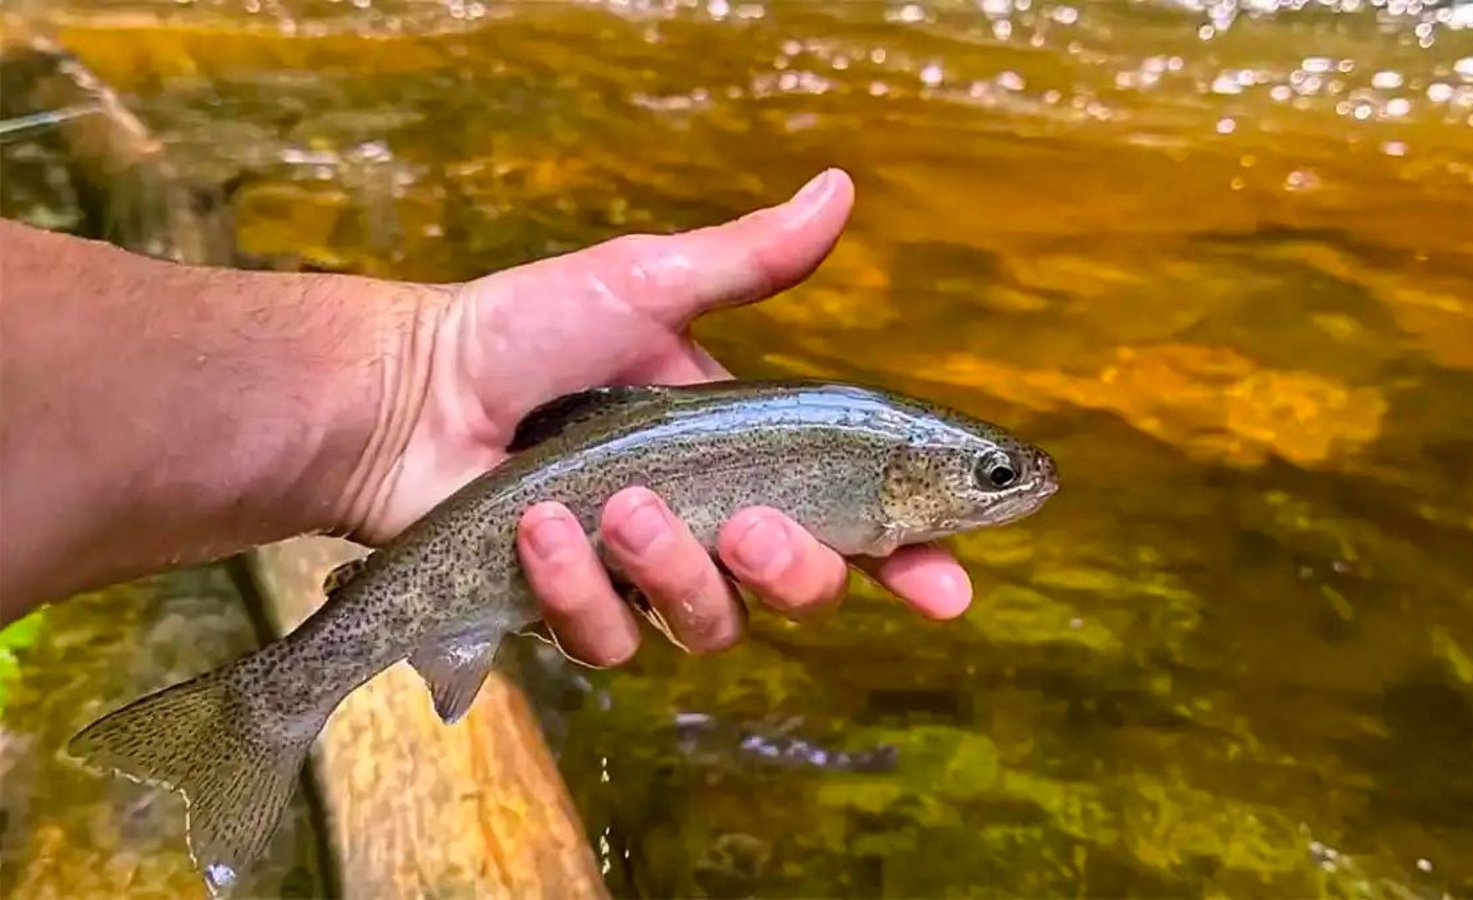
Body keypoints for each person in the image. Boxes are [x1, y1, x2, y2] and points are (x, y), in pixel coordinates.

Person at [0, 168, 973, 667]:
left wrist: (412, 387)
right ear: (908, 478)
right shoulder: (863, 439)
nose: (1009, 490)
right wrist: (419, 380)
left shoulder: (861, 436)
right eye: (991, 476)